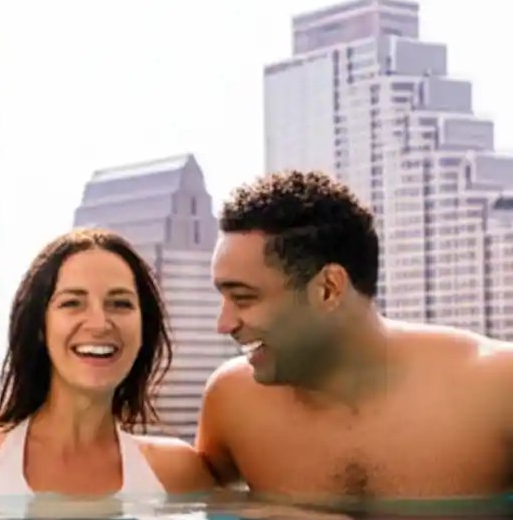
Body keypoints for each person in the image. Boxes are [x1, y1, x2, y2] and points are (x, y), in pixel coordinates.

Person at [196, 169, 513, 501]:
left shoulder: (494, 390)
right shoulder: (232, 402)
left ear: (328, 289)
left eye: (243, 298)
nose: (224, 323)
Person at [0, 228, 215, 500]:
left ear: (143, 330)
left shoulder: (178, 473)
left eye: (120, 303)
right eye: (72, 303)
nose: (99, 323)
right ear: (40, 327)